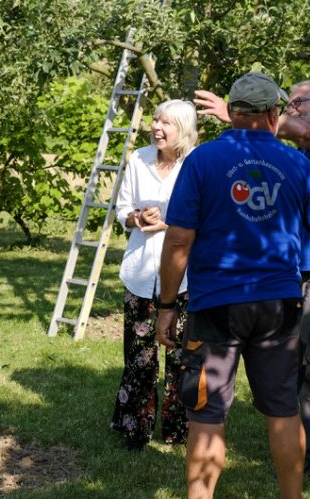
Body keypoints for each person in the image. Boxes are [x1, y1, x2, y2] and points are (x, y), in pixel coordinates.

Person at [156, 71, 310, 499]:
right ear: (274, 113)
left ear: (232, 113)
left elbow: (179, 239)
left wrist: (167, 305)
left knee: (208, 412)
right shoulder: (296, 162)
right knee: (282, 410)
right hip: (278, 303)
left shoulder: (202, 161)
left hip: (216, 305)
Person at [195, 80, 310, 476]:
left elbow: (303, 131)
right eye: (283, 106)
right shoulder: (297, 159)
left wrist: (242, 118)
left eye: (295, 103)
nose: (287, 111)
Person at [110, 99, 198, 451]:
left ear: (184, 130)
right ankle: (137, 428)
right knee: (140, 355)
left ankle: (178, 429)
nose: (157, 128)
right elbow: (122, 210)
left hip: (186, 276)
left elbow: (207, 216)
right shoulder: (138, 159)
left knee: (181, 355)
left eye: (166, 123)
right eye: (155, 121)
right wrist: (136, 219)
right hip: (141, 273)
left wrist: (173, 223)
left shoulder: (196, 163)